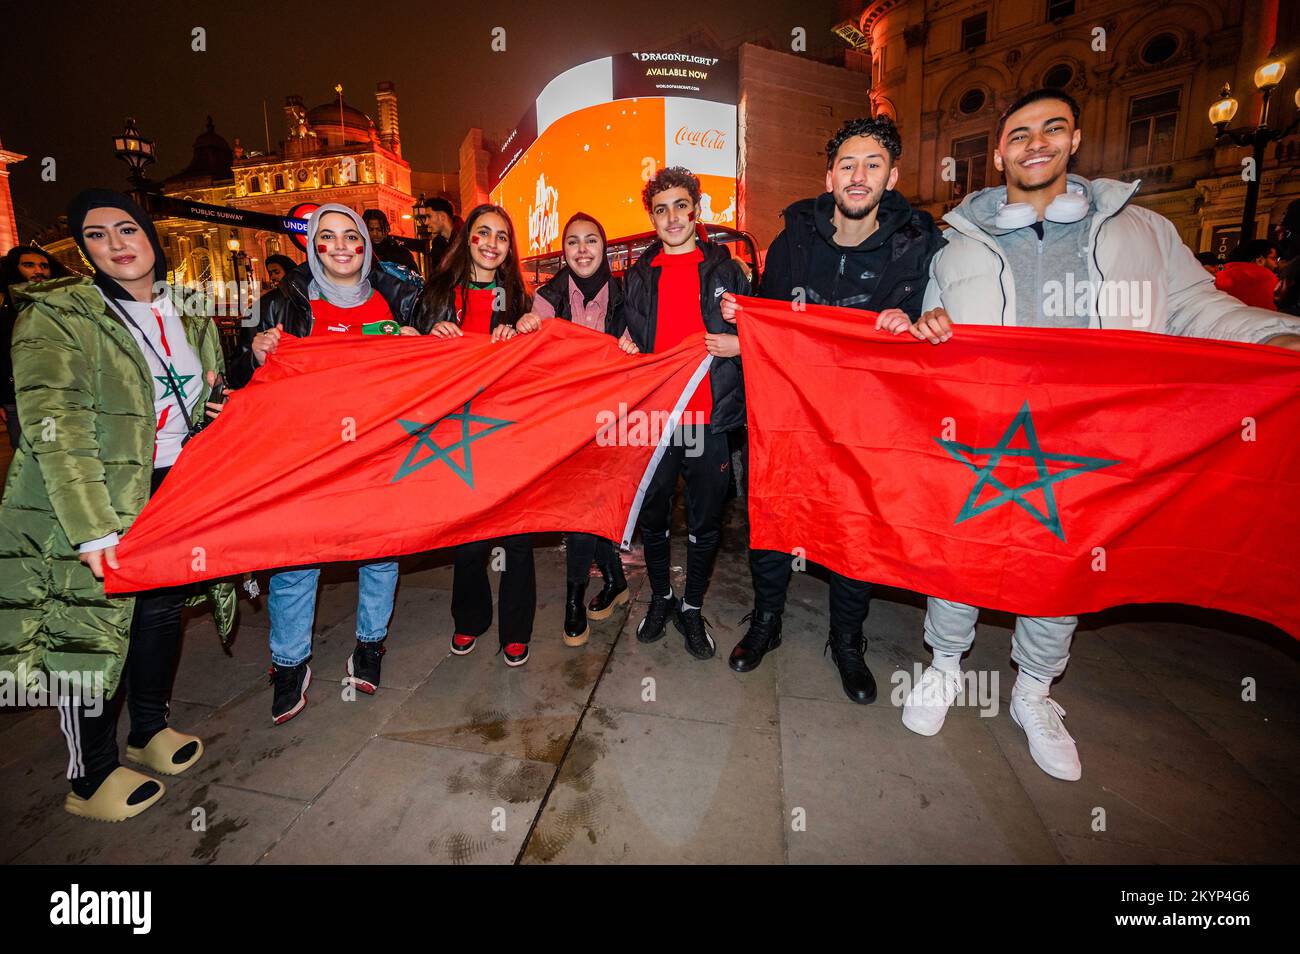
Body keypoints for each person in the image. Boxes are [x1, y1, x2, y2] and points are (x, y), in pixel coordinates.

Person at [904, 88, 1300, 781]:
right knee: (962, 551)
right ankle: (944, 664)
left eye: (1051, 129)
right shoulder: (956, 243)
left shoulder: (1141, 233)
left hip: (1091, 439)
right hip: (985, 434)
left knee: (1064, 565)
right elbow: (929, 327)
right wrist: (926, 328)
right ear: (999, 153)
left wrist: (1278, 335)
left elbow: (1195, 308)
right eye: (1019, 132)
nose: (1035, 143)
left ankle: (1034, 691)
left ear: (1075, 140)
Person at [0, 189, 232, 822]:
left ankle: (148, 729)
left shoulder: (188, 307)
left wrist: (215, 408)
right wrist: (92, 530)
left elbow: (203, 387)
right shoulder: (59, 314)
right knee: (88, 631)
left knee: (157, 616)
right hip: (93, 500)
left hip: (171, 488)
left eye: (127, 228)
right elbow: (55, 426)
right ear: (84, 250)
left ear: (152, 237)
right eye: (97, 235)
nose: (117, 243)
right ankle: (89, 776)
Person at [720, 116, 944, 703]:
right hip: (790, 415)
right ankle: (765, 623)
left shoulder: (921, 246)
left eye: (873, 164)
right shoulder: (794, 235)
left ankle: (847, 641)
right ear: (830, 175)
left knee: (855, 532)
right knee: (771, 520)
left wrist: (914, 322)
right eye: (847, 163)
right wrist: (744, 318)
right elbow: (769, 319)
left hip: (868, 425)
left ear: (892, 177)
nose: (858, 174)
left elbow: (940, 322)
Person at [230, 204, 422, 724]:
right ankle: (289, 664)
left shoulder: (396, 300)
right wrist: (256, 351)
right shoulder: (280, 304)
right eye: (327, 237)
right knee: (297, 559)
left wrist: (417, 345)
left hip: (378, 452)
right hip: (305, 456)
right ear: (312, 246)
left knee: (380, 553)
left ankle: (370, 645)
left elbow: (425, 376)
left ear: (366, 245)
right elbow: (242, 383)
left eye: (352, 237)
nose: (341, 246)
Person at [620, 166, 748, 660]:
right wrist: (625, 345)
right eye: (660, 209)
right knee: (653, 516)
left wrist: (739, 344)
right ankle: (661, 598)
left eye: (680, 206)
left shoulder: (727, 270)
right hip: (656, 419)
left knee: (704, 519)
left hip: (708, 419)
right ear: (651, 217)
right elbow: (617, 337)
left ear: (696, 208)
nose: (671, 217)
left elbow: (763, 329)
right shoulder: (636, 276)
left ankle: (691, 607)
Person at [416, 203, 538, 667]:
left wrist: (529, 329)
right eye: (482, 233)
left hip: (508, 432)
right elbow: (406, 358)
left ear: (509, 249)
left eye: (501, 237)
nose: (491, 242)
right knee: (468, 536)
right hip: (454, 434)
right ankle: (469, 619)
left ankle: (516, 629)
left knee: (519, 535)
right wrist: (430, 336)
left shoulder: (519, 298)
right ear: (467, 239)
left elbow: (536, 366)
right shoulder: (437, 294)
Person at [516, 211, 633, 646]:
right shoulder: (546, 298)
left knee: (587, 507)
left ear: (604, 248)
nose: (582, 250)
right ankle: (613, 582)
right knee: (585, 506)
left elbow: (648, 339)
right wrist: (525, 328)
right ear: (563, 251)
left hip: (614, 420)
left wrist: (634, 343)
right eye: (573, 243)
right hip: (564, 422)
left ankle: (575, 599)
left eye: (591, 241)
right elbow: (533, 361)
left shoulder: (626, 293)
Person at [2, 245, 69, 448]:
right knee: (28, 457)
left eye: (44, 266)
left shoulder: (63, 303)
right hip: (19, 398)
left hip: (64, 394)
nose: (38, 271)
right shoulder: (5, 306)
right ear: (14, 268)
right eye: (28, 265)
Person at [1215, 238, 1280, 310]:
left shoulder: (1217, 277)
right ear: (1260, 260)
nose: (1276, 265)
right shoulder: (1270, 279)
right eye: (1274, 259)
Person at [362, 208, 420, 272]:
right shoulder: (361, 253)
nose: (375, 234)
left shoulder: (401, 253)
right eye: (370, 230)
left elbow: (415, 277)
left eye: (379, 229)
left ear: (387, 228)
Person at [427, 197, 457, 271]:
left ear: (442, 217)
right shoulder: (437, 243)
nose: (426, 222)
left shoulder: (466, 240)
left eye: (429, 217)